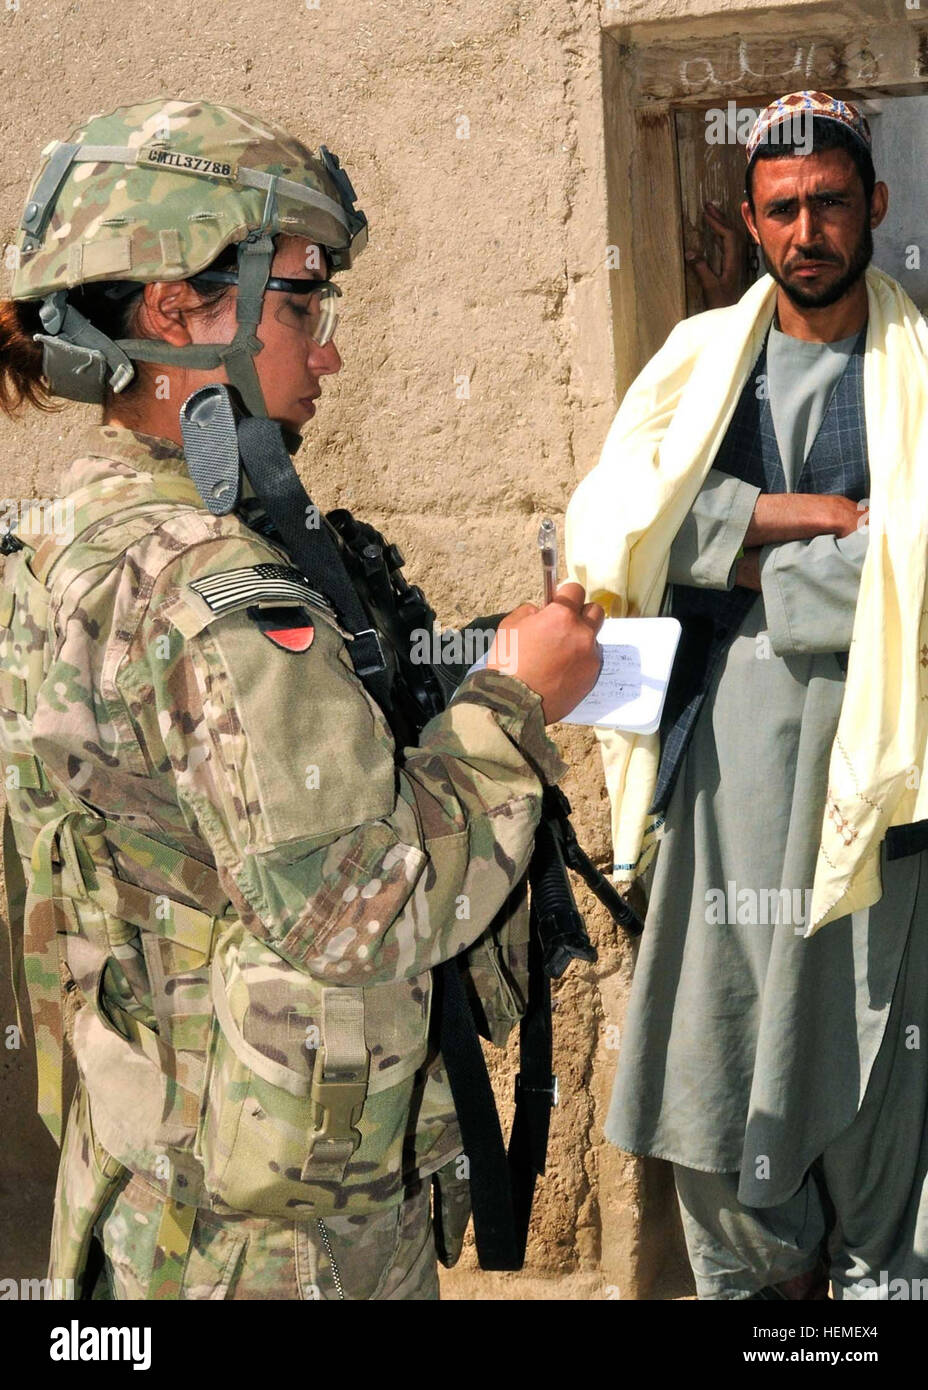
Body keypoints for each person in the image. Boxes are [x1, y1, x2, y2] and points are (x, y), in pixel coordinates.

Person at [0, 97, 604, 1301]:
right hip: (270, 1253)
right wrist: (513, 701)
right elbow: (365, 907)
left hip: (153, 1178)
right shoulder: (205, 584)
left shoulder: (69, 531)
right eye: (299, 301)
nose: (326, 348)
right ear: (179, 307)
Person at [566, 91, 928, 1300]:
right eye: (784, 209)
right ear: (749, 222)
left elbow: (915, 567)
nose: (808, 229)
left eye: (831, 201)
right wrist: (819, 520)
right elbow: (620, 526)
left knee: (876, 1052)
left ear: (872, 206)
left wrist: (749, 560)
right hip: (722, 773)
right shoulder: (696, 370)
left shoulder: (917, 377)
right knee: (726, 1039)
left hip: (878, 779)